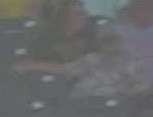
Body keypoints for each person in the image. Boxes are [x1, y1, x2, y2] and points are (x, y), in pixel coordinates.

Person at [16, 28, 150, 99]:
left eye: (114, 41)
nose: (111, 44)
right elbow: (63, 69)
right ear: (100, 43)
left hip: (110, 106)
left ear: (120, 42)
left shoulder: (131, 63)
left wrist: (125, 94)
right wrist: (32, 66)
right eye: (107, 41)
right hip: (80, 103)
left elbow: (144, 87)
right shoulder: (90, 59)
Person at [24, 0, 95, 65]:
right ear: (63, 16)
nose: (85, 16)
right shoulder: (43, 43)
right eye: (79, 14)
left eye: (85, 13)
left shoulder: (89, 38)